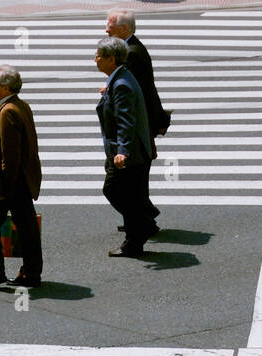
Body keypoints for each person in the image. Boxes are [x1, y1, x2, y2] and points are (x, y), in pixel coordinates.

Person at [0, 64, 42, 289]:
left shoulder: (8, 111)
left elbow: (9, 155)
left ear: (4, 86)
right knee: (26, 225)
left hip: (9, 181)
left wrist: (1, 187)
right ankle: (31, 272)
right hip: (23, 178)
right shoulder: (20, 106)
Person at [106, 9, 169, 225]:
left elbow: (133, 92)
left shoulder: (131, 53)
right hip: (146, 119)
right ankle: (142, 216)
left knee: (131, 177)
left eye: (110, 27)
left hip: (140, 122)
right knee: (137, 176)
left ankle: (142, 219)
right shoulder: (133, 47)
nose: (106, 30)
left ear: (124, 29)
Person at [95, 36, 154, 258]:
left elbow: (126, 122)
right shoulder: (119, 79)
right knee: (129, 194)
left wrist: (123, 151)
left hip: (128, 153)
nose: (95, 59)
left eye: (99, 56)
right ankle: (135, 237)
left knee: (114, 190)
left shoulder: (120, 85)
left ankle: (142, 226)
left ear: (111, 59)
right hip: (127, 151)